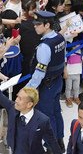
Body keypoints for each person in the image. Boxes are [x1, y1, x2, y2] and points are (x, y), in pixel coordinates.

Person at [25, 9, 66, 143]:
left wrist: (29, 89)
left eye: (38, 24)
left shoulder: (45, 46)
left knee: (47, 116)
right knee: (56, 112)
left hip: (46, 85)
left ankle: (51, 147)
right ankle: (60, 140)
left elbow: (39, 73)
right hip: (57, 81)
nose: (35, 26)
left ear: (47, 25)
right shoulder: (59, 38)